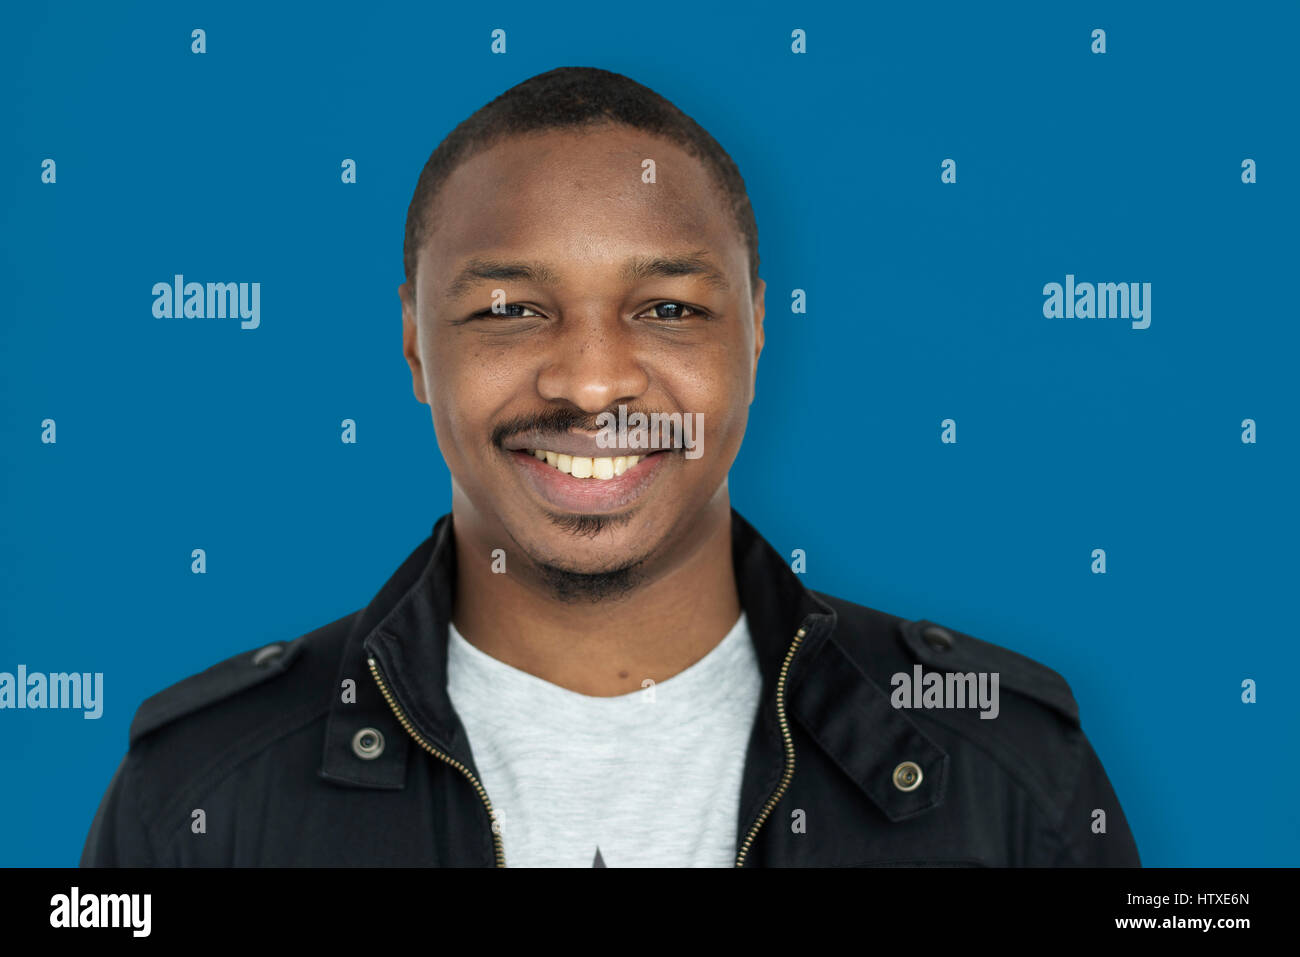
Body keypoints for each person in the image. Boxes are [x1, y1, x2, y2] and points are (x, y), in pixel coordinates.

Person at [81, 66, 1139, 867]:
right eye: (509, 312)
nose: (591, 385)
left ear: (756, 332)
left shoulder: (1010, 777)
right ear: (414, 345)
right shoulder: (197, 799)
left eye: (668, 309)